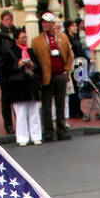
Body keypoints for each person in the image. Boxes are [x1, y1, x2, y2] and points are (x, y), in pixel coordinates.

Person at [0, 27, 43, 146]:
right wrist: (18, 64)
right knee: (21, 113)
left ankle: (36, 135)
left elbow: (38, 67)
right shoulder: (10, 52)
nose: (25, 39)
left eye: (26, 37)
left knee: (34, 112)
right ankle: (22, 137)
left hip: (31, 85)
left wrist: (32, 64)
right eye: (22, 37)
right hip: (17, 86)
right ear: (16, 39)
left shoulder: (31, 51)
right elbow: (4, 68)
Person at [31, 11, 72, 140]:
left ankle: (61, 129)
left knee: (60, 104)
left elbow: (69, 55)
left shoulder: (63, 38)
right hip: (46, 76)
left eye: (47, 22)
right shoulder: (36, 41)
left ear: (53, 24)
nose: (45, 25)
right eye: (43, 22)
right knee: (47, 106)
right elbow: (36, 58)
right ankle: (48, 131)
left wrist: (66, 70)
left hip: (60, 74)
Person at [0, 10, 18, 134]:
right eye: (6, 20)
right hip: (5, 70)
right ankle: (8, 124)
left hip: (16, 69)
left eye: (10, 20)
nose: (9, 22)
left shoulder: (15, 32)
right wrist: (1, 62)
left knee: (17, 97)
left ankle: (19, 122)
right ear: (1, 20)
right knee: (6, 98)